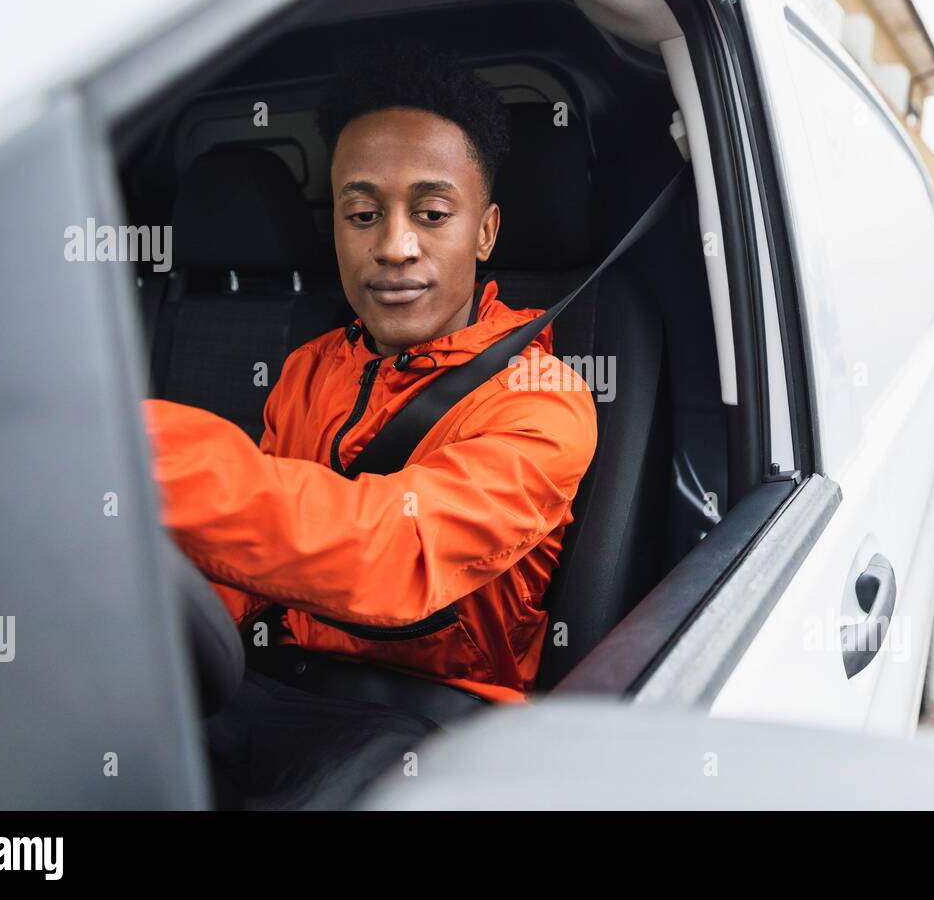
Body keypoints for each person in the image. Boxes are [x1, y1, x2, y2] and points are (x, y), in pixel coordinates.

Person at [142, 42, 598, 807]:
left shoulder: (542, 402)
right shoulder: (312, 365)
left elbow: (390, 548)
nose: (393, 246)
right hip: (268, 683)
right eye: (362, 214)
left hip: (431, 723)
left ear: (484, 233)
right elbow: (250, 565)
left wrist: (126, 454)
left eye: (431, 213)